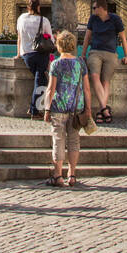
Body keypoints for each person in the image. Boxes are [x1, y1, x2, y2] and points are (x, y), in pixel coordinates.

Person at [42, 30, 92, 188]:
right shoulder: (80, 63)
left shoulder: (56, 64)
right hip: (76, 108)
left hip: (58, 107)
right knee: (74, 140)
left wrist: (46, 109)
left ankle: (57, 176)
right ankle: (72, 175)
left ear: (59, 46)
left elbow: (51, 89)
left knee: (58, 140)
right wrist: (88, 109)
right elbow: (87, 89)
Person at [83, 0, 127, 124]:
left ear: (101, 8)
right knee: (94, 76)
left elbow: (123, 38)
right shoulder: (93, 19)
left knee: (106, 81)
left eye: (94, 8)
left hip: (111, 53)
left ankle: (101, 110)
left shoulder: (115, 19)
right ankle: (105, 109)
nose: (93, 10)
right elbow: (87, 37)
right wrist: (83, 54)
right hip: (95, 52)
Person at [17, 0, 54, 118]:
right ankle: (34, 110)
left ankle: (33, 109)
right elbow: (51, 40)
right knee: (40, 80)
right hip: (40, 54)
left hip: (27, 55)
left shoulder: (21, 18)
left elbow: (19, 37)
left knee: (39, 80)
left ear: (28, 7)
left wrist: (18, 54)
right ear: (38, 7)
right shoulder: (44, 20)